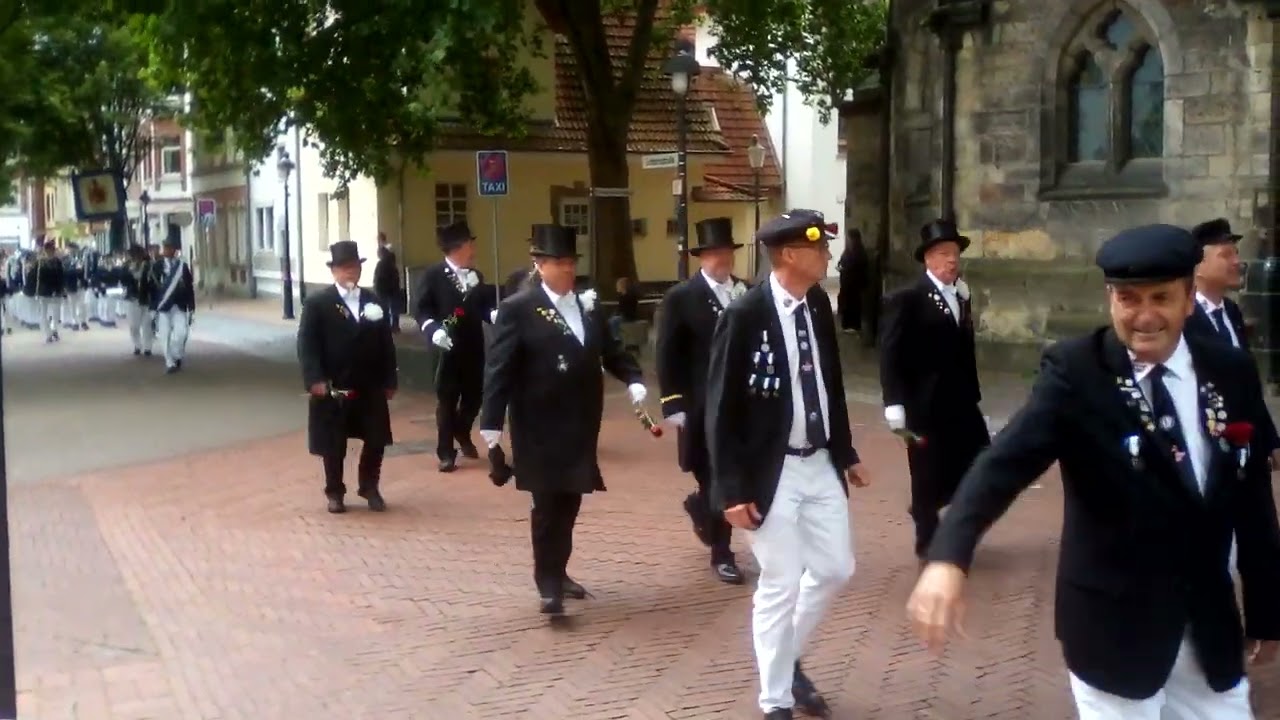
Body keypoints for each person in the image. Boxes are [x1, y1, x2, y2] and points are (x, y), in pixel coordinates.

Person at [907, 223, 1280, 720]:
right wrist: (948, 556)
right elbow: (1004, 465)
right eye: (1128, 299)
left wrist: (1267, 607)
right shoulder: (1077, 373)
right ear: (1110, 300)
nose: (1144, 316)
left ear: (1189, 298)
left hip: (1206, 631)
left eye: (1161, 298)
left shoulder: (1229, 369)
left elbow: (1251, 492)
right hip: (1114, 631)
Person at [706, 209, 869, 720]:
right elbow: (721, 407)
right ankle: (776, 698)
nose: (827, 256)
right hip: (770, 470)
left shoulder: (817, 303)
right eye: (819, 249)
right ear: (791, 255)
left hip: (818, 460)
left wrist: (845, 453)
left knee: (836, 567)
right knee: (781, 581)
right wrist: (730, 491)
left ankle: (786, 658)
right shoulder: (745, 314)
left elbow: (829, 384)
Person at [478, 223, 646, 616]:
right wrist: (491, 424)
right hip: (538, 423)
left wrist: (634, 377)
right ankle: (547, 582)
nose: (568, 270)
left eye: (572, 262)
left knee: (569, 503)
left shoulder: (588, 306)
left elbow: (611, 350)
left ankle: (560, 570)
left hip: (581, 422)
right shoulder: (519, 309)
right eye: (559, 263)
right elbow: (498, 367)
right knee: (547, 504)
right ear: (539, 265)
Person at [878, 219, 989, 565]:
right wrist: (893, 402)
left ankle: (948, 518)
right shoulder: (908, 298)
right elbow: (890, 352)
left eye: (955, 253)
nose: (952, 260)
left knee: (978, 463)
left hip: (960, 401)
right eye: (943, 253)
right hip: (922, 404)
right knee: (926, 471)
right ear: (928, 259)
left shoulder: (960, 294)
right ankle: (927, 537)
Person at [656, 216, 750, 585]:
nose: (721, 259)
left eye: (726, 251)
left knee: (732, 477)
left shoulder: (747, 291)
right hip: (700, 406)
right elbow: (667, 354)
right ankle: (722, 553)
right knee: (715, 477)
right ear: (700, 258)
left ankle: (703, 510)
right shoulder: (682, 297)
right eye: (713, 253)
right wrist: (672, 402)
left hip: (742, 405)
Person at [297, 241, 398, 514]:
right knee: (334, 442)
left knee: (376, 438)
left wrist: (390, 379)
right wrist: (314, 379)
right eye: (344, 268)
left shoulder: (373, 301)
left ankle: (369, 486)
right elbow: (307, 344)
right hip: (334, 384)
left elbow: (386, 343)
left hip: (370, 383)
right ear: (334, 271)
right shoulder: (319, 303)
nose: (350, 272)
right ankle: (334, 492)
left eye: (354, 267)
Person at [413, 220, 497, 472]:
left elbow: (481, 305)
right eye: (470, 244)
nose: (473, 250)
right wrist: (432, 329)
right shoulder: (433, 275)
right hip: (445, 347)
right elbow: (420, 308)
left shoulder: (475, 275)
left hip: (472, 346)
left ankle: (461, 430)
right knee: (447, 399)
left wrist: (492, 315)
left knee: (474, 396)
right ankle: (446, 452)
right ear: (458, 248)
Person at [150, 239, 195, 374]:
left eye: (170, 248)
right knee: (164, 335)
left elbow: (189, 287)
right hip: (163, 306)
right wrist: (152, 307)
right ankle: (169, 362)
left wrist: (191, 306)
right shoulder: (156, 267)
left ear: (175, 251)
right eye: (166, 248)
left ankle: (176, 355)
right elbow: (152, 288)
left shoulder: (183, 266)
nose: (168, 251)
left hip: (179, 305)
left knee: (182, 333)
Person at [120, 245, 155, 357]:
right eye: (133, 255)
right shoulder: (126, 266)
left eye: (137, 254)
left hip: (147, 298)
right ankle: (137, 345)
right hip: (133, 297)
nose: (136, 257)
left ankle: (148, 347)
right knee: (134, 325)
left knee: (147, 325)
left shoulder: (149, 265)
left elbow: (153, 281)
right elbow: (123, 280)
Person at [27, 240, 64, 343]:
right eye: (49, 250)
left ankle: (54, 330)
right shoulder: (39, 263)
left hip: (56, 291)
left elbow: (61, 277)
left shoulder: (57, 262)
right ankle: (48, 334)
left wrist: (61, 289)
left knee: (56, 313)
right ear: (45, 250)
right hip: (43, 291)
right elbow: (34, 278)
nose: (51, 252)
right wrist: (35, 291)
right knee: (43, 314)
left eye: (52, 250)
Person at [836, 229, 868, 333]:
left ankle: (854, 325)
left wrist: (845, 268)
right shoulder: (848, 250)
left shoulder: (859, 251)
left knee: (853, 303)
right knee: (846, 302)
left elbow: (858, 265)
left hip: (854, 282)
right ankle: (846, 325)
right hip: (846, 281)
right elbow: (843, 259)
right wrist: (840, 265)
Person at [372, 233, 402, 333]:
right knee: (391, 306)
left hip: (386, 282)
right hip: (389, 282)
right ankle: (392, 326)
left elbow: (389, 258)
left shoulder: (388, 249)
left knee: (390, 306)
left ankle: (393, 326)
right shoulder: (385, 252)